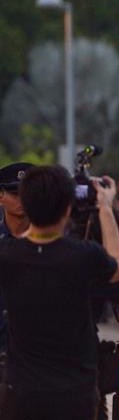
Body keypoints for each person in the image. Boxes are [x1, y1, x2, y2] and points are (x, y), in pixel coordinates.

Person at [0, 165, 119, 420]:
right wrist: (104, 209)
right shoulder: (81, 256)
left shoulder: (8, 255)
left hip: (21, 386)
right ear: (68, 207)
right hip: (73, 390)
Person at [0, 162, 34, 381]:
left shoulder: (56, 242)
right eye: (14, 193)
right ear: (1, 195)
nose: (22, 200)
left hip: (41, 360)